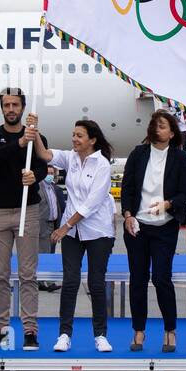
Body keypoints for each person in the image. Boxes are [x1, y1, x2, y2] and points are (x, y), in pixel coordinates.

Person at [25, 114, 116, 353]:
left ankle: (101, 335)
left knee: (96, 283)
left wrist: (64, 227)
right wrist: (34, 132)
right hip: (73, 234)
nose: (74, 139)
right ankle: (64, 334)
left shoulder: (102, 165)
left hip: (98, 231)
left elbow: (92, 203)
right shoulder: (71, 158)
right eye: (73, 135)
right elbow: (45, 155)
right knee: (70, 281)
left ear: (92, 140)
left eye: (79, 136)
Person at [0, 87, 49, 350]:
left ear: (22, 107)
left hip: (27, 210)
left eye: (15, 105)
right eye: (6, 105)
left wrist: (36, 176)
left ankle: (30, 330)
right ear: (2, 108)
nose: (11, 109)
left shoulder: (36, 136)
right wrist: (20, 143)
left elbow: (42, 164)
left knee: (28, 274)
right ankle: (0, 328)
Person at [120, 109, 186, 353]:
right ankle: (138, 330)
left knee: (162, 278)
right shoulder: (138, 154)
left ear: (172, 133)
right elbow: (128, 187)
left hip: (165, 228)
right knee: (137, 279)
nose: (156, 129)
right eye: (154, 124)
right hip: (137, 227)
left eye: (161, 126)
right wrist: (128, 215)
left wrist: (168, 204)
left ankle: (169, 330)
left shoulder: (180, 158)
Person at [36, 166, 64, 263]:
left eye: (52, 173)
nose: (50, 175)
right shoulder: (38, 187)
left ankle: (47, 275)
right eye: (48, 173)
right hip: (42, 226)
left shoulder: (52, 188)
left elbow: (57, 207)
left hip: (53, 225)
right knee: (43, 253)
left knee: (50, 252)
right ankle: (41, 276)